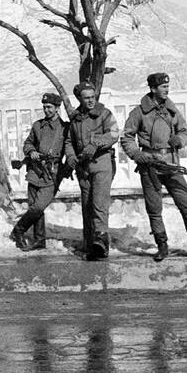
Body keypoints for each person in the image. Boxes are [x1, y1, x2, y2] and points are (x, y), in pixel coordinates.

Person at [120, 72, 187, 261]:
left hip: (171, 164)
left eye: (167, 86)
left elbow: (185, 130)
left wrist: (179, 139)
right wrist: (138, 155)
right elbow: (126, 137)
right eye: (163, 87)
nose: (167, 89)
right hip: (150, 165)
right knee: (155, 209)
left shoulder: (171, 110)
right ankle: (162, 245)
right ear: (153, 89)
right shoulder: (139, 112)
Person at [9, 93, 73, 252]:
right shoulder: (37, 125)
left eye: (49, 107)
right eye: (44, 107)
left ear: (57, 108)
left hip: (51, 173)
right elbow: (28, 143)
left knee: (38, 207)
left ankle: (18, 230)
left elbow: (70, 148)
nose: (46, 110)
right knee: (34, 208)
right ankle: (39, 240)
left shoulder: (65, 128)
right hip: (35, 171)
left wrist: (67, 168)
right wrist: (31, 152)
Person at [68, 82, 120, 260]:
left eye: (92, 97)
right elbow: (69, 141)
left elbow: (114, 134)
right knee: (87, 207)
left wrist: (95, 143)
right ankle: (90, 244)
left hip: (101, 163)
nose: (90, 101)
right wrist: (70, 156)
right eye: (86, 98)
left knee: (99, 205)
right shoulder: (75, 119)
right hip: (83, 167)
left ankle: (101, 244)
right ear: (79, 99)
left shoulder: (105, 114)